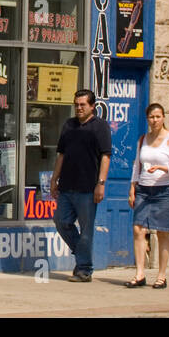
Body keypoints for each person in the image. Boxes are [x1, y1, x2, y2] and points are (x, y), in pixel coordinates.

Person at [50, 89, 111, 282]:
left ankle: (84, 270)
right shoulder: (69, 125)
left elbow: (106, 156)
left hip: (88, 188)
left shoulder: (100, 127)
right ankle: (83, 255)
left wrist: (100, 183)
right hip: (67, 187)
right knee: (61, 222)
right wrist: (54, 179)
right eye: (76, 104)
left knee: (86, 230)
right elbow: (61, 154)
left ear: (92, 106)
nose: (79, 108)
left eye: (83, 105)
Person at [126, 103, 169, 289]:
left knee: (162, 232)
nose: (155, 120)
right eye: (151, 117)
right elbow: (136, 165)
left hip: (165, 191)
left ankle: (161, 276)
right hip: (144, 189)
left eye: (158, 116)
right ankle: (140, 274)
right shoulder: (143, 139)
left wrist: (162, 168)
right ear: (147, 119)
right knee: (137, 229)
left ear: (163, 118)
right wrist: (132, 188)